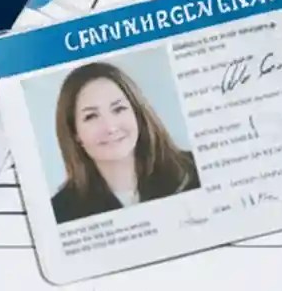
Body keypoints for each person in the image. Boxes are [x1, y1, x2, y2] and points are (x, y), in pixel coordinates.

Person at [50, 61, 200, 224]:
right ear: (75, 133)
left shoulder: (195, 170)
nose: (111, 127)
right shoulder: (59, 212)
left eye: (118, 109)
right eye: (91, 116)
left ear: (137, 113)